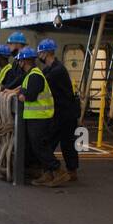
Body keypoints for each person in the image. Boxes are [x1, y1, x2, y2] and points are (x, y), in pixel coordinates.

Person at [16, 46, 64, 186]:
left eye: (19, 61)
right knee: (38, 146)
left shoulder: (35, 76)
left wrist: (20, 96)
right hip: (35, 117)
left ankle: (57, 170)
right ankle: (48, 174)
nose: (18, 64)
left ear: (24, 62)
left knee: (40, 146)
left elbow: (29, 96)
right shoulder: (31, 75)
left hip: (40, 118)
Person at [36, 38, 80, 183]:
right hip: (60, 112)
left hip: (65, 113)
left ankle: (61, 171)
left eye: (40, 52)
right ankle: (55, 171)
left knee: (55, 142)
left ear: (46, 53)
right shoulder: (50, 69)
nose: (39, 56)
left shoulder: (57, 71)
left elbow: (39, 84)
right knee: (61, 142)